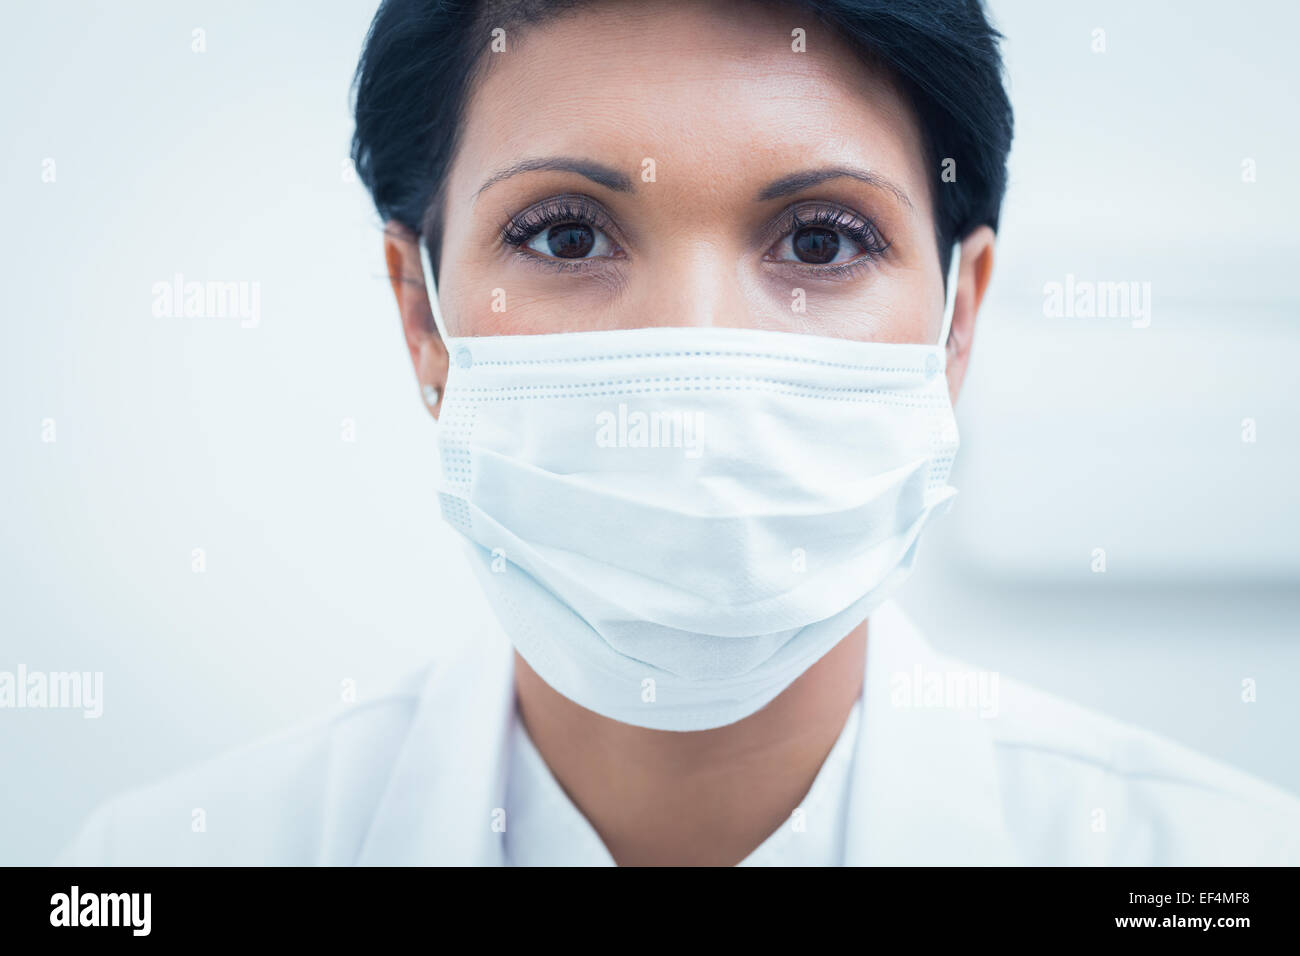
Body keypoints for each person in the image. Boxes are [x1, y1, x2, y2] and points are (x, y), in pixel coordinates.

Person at [55, 0, 1300, 866]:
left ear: (956, 324)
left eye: (820, 240)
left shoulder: (1212, 866)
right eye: (565, 233)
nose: (692, 357)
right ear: (419, 319)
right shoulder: (164, 859)